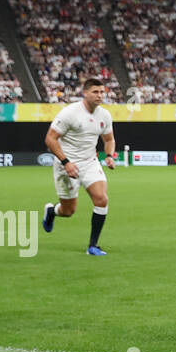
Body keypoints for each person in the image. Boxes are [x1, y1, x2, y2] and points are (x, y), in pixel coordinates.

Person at [41, 78, 117, 255]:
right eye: (95, 92)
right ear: (85, 93)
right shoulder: (70, 113)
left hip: (90, 163)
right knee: (68, 211)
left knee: (101, 199)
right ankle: (52, 211)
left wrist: (109, 156)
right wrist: (66, 162)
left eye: (102, 92)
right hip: (66, 164)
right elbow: (50, 139)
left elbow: (109, 139)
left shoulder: (104, 115)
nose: (99, 96)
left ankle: (93, 246)